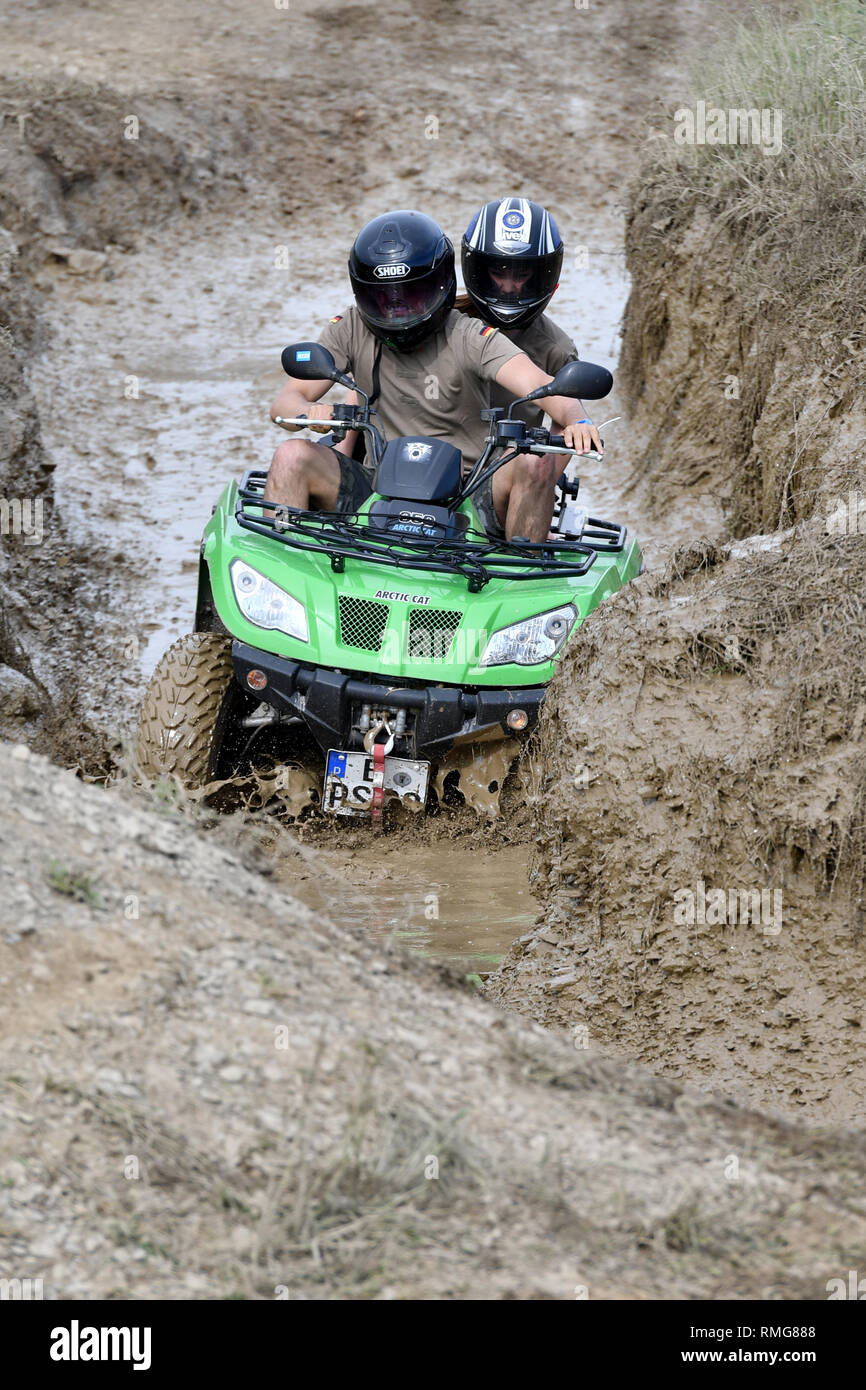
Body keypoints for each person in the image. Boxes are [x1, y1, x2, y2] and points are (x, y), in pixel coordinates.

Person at [266, 209, 602, 542]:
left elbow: (540, 385)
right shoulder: (350, 328)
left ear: (439, 284)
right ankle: (279, 566)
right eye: (383, 297)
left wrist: (579, 421)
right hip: (376, 487)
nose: (396, 308)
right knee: (291, 455)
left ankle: (522, 575)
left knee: (535, 460)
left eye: (409, 295)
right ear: (362, 290)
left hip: (470, 492)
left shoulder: (471, 335)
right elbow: (286, 400)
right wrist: (307, 413)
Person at [460, 196, 586, 433]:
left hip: (510, 465)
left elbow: (567, 424)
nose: (508, 287)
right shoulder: (446, 326)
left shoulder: (556, 350)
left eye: (521, 276)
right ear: (477, 270)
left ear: (542, 276)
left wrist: (543, 467)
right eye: (498, 272)